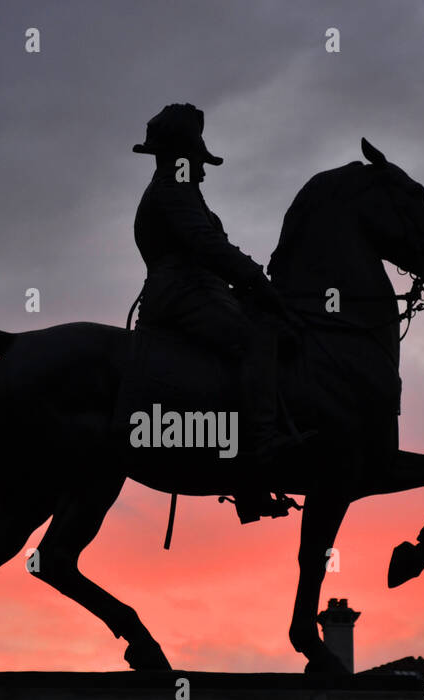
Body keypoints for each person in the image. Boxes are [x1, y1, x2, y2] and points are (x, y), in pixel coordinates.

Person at [130, 103, 303, 521]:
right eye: (199, 158)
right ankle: (263, 447)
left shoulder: (183, 190)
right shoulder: (173, 190)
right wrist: (256, 282)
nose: (204, 170)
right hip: (184, 292)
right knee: (256, 338)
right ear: (182, 154)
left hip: (202, 290)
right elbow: (207, 246)